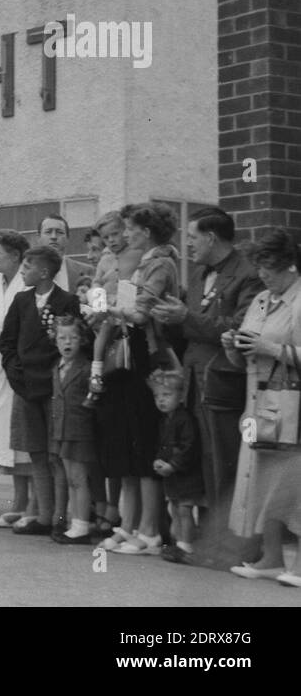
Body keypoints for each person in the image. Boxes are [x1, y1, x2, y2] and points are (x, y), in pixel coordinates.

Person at [150, 206, 263, 567]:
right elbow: (189, 325)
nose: (188, 244)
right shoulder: (198, 273)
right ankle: (200, 541)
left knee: (224, 463)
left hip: (223, 383)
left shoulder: (248, 275)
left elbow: (241, 327)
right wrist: (167, 319)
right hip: (194, 380)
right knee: (198, 463)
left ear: (211, 237)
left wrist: (186, 318)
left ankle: (234, 547)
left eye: (193, 236)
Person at [92, 202, 179, 557]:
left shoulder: (160, 263)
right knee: (128, 446)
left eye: (129, 228)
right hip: (128, 355)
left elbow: (141, 313)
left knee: (143, 446)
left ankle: (150, 530)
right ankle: (128, 524)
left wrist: (108, 310)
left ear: (145, 231)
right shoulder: (142, 262)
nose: (125, 235)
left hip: (147, 356)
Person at [223, 228, 301, 587]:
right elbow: (248, 357)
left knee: (294, 485)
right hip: (259, 403)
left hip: (294, 407)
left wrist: (271, 350)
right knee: (263, 480)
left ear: (290, 265)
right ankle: (271, 558)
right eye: (260, 266)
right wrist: (233, 346)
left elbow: (276, 350)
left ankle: (298, 565)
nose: (263, 274)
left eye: (269, 266)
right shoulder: (261, 301)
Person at [0, 246, 80, 535]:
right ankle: (44, 516)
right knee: (36, 452)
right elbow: (7, 343)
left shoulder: (67, 301)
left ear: (44, 272)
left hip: (54, 386)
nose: (22, 272)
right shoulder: (21, 301)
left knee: (55, 454)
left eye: (27, 267)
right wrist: (15, 374)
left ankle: (59, 517)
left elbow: (72, 344)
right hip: (25, 386)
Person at [0, 229, 33, 526]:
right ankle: (19, 503)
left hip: (19, 370)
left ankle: (32, 506)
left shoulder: (25, 283)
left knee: (23, 436)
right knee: (7, 438)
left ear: (15, 256)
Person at [49, 313, 98, 544]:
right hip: (62, 431)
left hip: (78, 432)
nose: (67, 343)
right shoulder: (56, 368)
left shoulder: (86, 368)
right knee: (70, 478)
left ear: (82, 340)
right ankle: (75, 521)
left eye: (73, 337)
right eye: (62, 338)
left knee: (78, 479)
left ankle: (81, 524)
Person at [147, 368, 203, 564]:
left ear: (180, 397)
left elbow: (189, 446)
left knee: (185, 509)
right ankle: (179, 542)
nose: (161, 400)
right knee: (175, 508)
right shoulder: (165, 420)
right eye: (157, 396)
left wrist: (173, 464)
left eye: (167, 395)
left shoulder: (184, 419)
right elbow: (163, 445)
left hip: (185, 474)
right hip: (173, 474)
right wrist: (159, 460)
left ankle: (186, 544)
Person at [38, 213, 92, 294]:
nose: (53, 237)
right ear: (38, 238)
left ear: (67, 239)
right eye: (48, 232)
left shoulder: (87, 272)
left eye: (59, 232)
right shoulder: (27, 273)